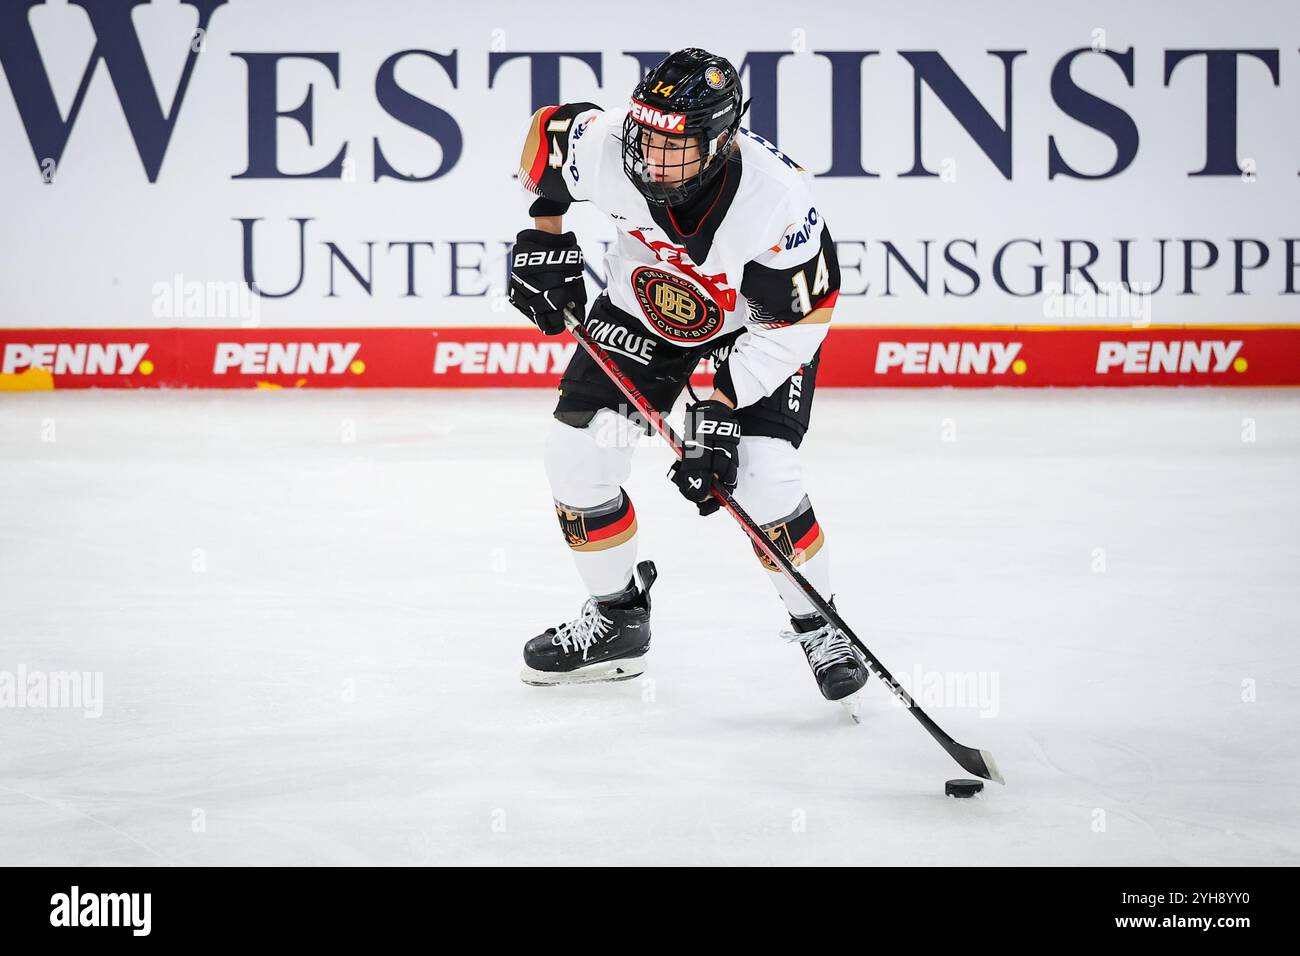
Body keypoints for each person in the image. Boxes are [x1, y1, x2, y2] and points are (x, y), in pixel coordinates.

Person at [508, 48, 867, 705]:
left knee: (761, 473)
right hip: (642, 312)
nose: (651, 159)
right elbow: (543, 142)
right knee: (578, 456)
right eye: (646, 137)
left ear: (722, 140)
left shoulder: (777, 202)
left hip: (753, 336)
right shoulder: (610, 142)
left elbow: (796, 327)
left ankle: (819, 621)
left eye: (676, 148)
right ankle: (619, 620)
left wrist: (720, 406)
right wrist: (544, 234)